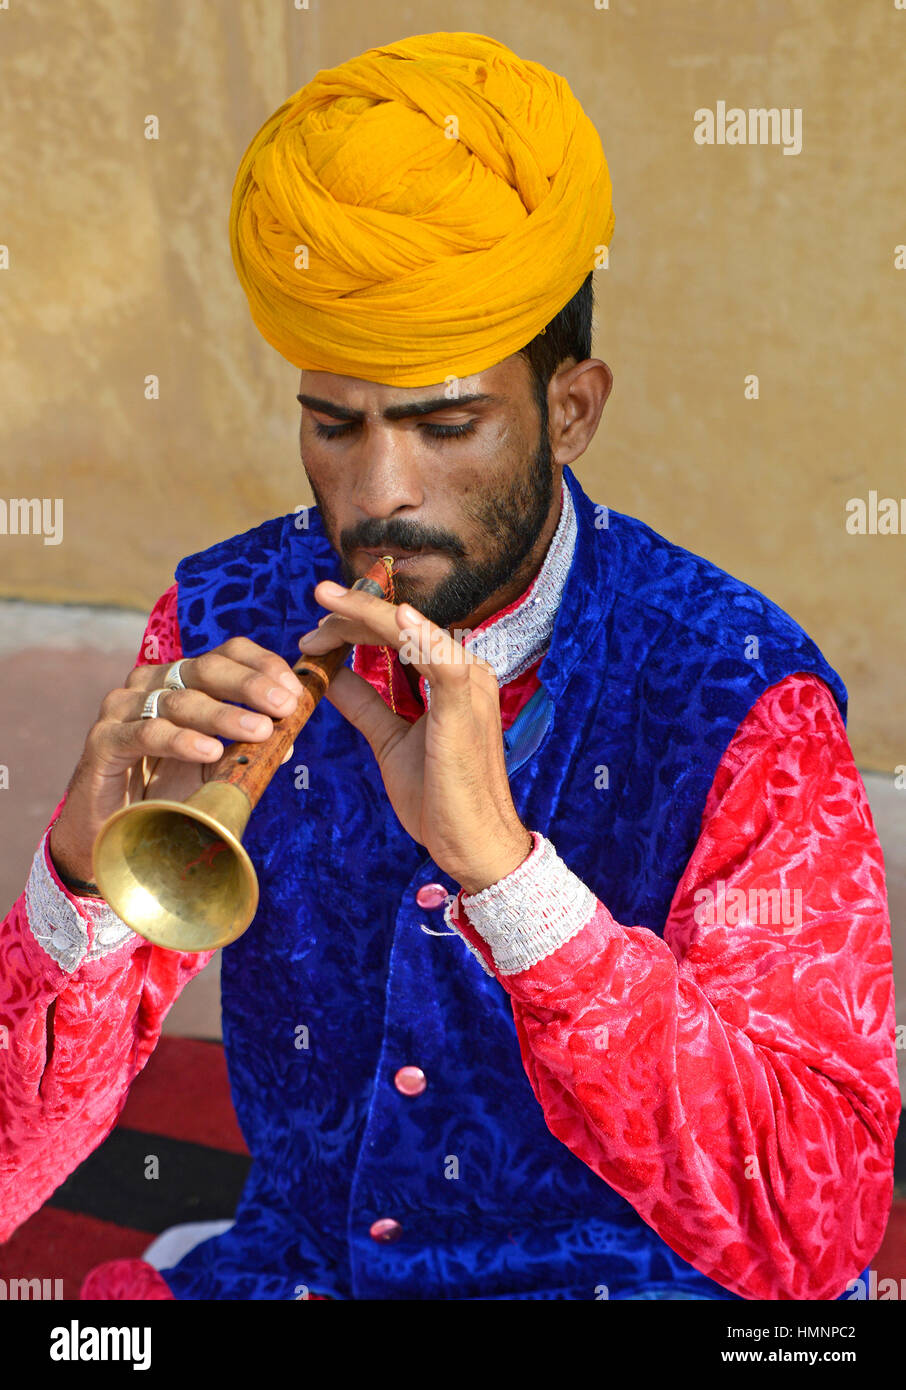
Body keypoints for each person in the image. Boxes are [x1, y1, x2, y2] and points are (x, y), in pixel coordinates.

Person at [0, 31, 898, 1302]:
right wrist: (78, 888)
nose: (377, 496)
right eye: (334, 425)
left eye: (446, 424)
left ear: (571, 410)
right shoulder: (215, 614)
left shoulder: (741, 692)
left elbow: (818, 1225)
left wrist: (514, 884)